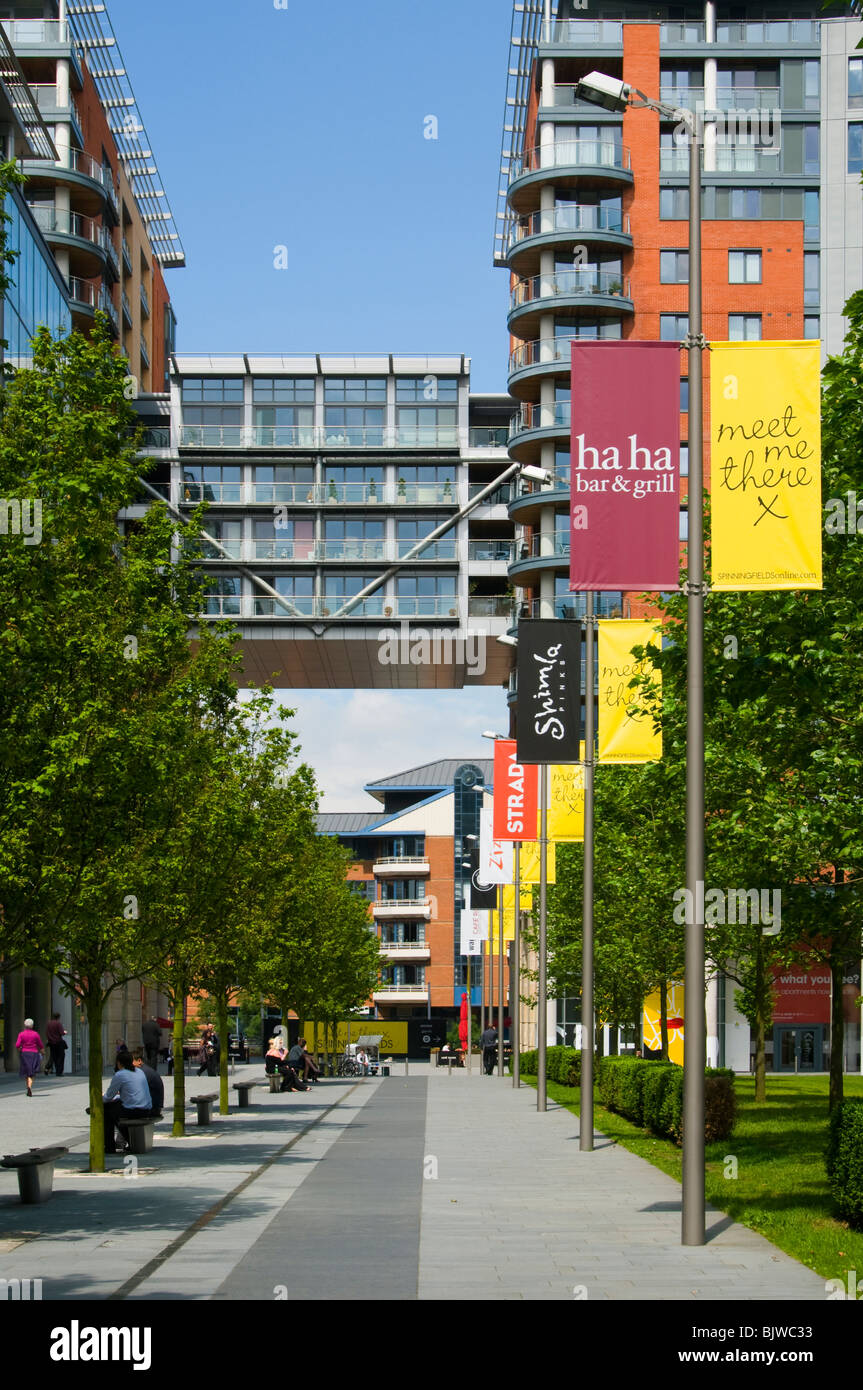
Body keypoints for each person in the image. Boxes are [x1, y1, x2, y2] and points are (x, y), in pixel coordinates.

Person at [101, 1051, 152, 1153]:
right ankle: (128, 1140)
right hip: (146, 1109)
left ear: (119, 1063)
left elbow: (108, 1097)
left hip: (133, 1110)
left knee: (107, 1111)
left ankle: (109, 1147)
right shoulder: (139, 1071)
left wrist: (99, 1098)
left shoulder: (120, 1074)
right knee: (115, 1111)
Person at [131, 1047, 164, 1116]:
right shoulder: (145, 1070)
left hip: (151, 1109)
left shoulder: (143, 1073)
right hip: (155, 1107)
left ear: (139, 1061)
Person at [16, 1018, 44, 1097]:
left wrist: (20, 1049)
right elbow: (40, 1045)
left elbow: (17, 1045)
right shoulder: (35, 1034)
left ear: (25, 1025)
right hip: (34, 1054)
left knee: (27, 1072)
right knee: (31, 1073)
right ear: (32, 1025)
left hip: (25, 1054)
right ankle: (29, 1086)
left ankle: (28, 1087)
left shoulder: (21, 1034)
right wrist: (42, 1052)